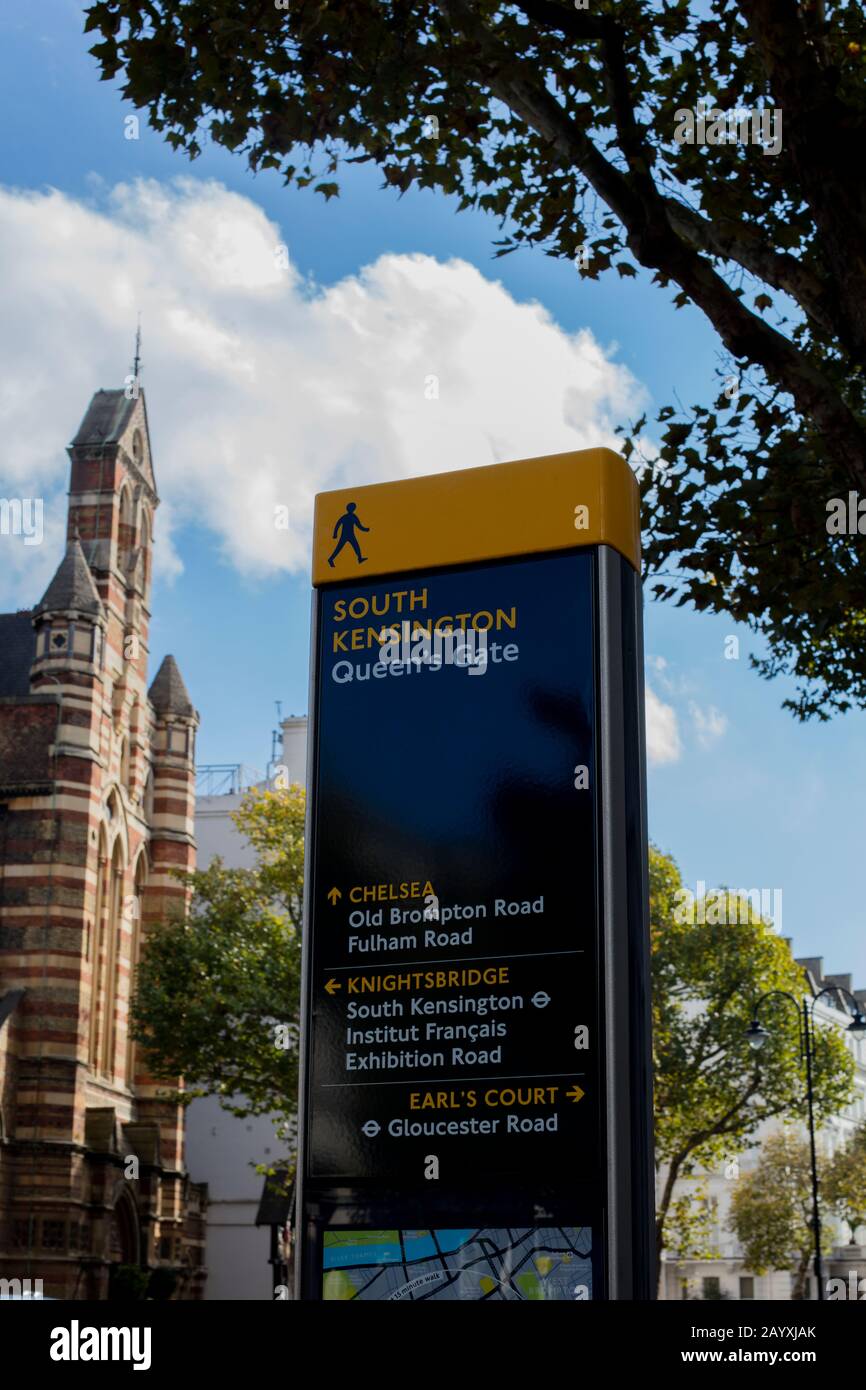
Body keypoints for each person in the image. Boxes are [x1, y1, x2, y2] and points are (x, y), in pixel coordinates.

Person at [328, 501, 370, 567]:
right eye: (352, 508)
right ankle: (330, 559)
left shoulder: (354, 516)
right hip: (344, 535)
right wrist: (335, 534)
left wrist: (365, 529)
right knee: (339, 548)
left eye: (353, 508)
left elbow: (359, 525)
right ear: (349, 508)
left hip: (351, 535)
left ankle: (359, 558)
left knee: (356, 546)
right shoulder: (345, 516)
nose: (353, 509)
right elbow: (338, 524)